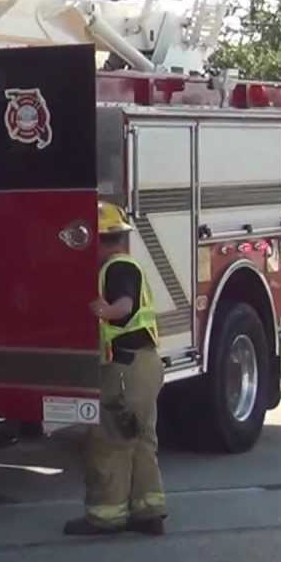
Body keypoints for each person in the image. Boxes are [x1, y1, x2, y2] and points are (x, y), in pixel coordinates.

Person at [64, 202, 167, 537]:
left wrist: (103, 310)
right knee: (141, 439)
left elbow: (123, 306)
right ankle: (148, 512)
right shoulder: (130, 265)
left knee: (110, 441)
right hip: (144, 365)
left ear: (102, 239)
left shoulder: (117, 268)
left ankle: (105, 517)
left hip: (124, 369)